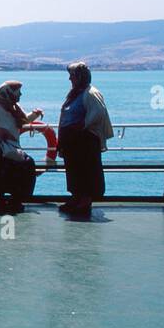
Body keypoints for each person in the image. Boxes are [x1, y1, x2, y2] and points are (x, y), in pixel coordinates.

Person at [57, 61, 113, 218]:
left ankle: (85, 202)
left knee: (86, 171)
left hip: (85, 141)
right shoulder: (76, 93)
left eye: (72, 76)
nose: (70, 79)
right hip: (73, 142)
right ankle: (76, 198)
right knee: (74, 171)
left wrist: (82, 125)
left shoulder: (90, 93)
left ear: (80, 77)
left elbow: (98, 113)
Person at [0, 80, 43, 215]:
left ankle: (17, 199)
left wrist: (34, 114)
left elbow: (23, 121)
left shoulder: (15, 108)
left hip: (11, 148)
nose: (20, 95)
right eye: (17, 92)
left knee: (27, 164)